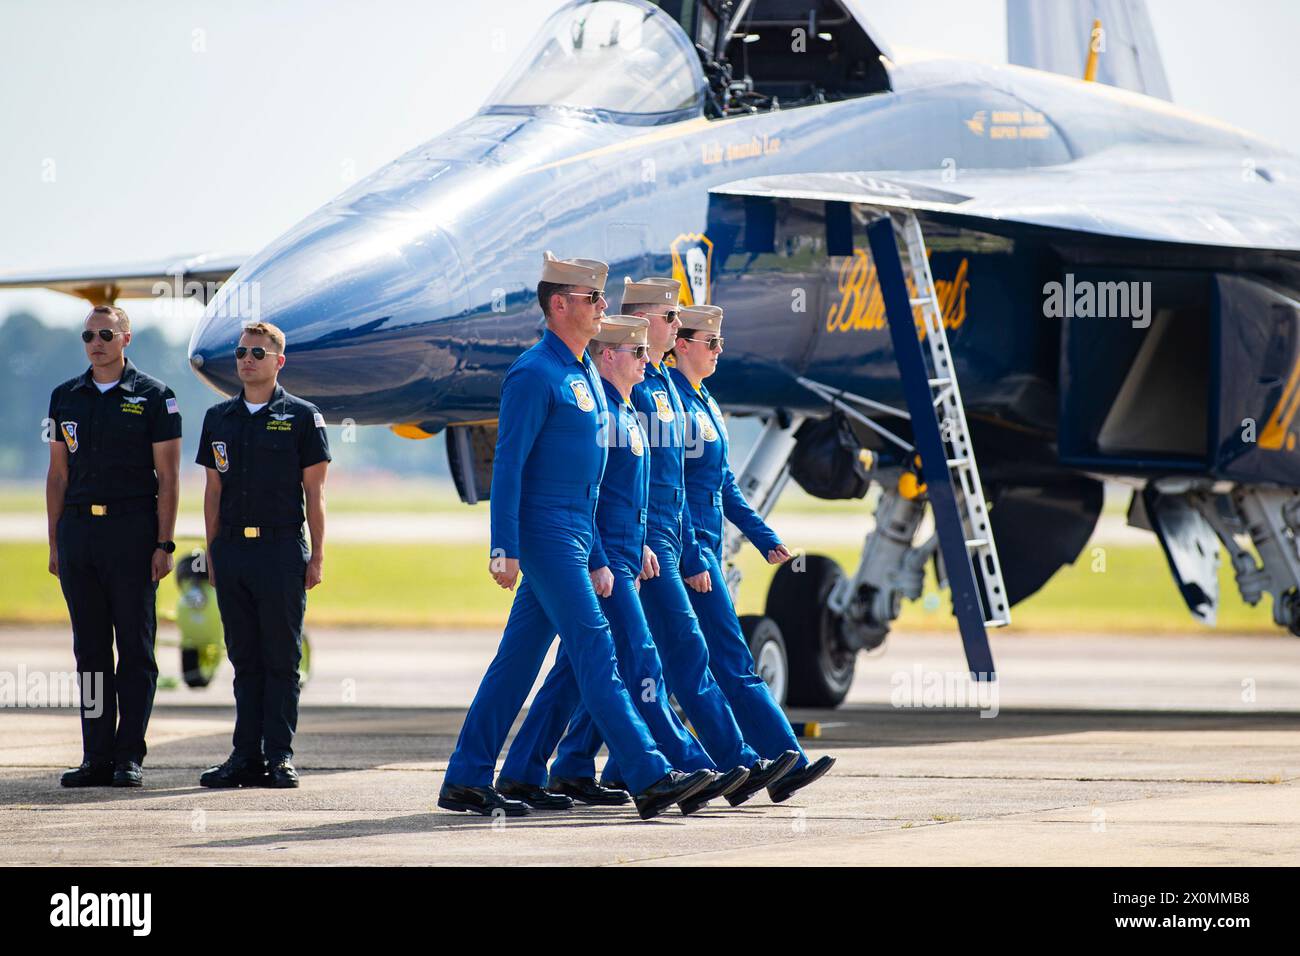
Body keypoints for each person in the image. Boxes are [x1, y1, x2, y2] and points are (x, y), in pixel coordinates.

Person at [438, 253, 713, 821]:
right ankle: (651, 774)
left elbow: (591, 483)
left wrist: (593, 553)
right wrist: (503, 545)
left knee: (517, 661)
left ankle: (469, 776)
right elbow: (509, 465)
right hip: (542, 532)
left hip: (573, 532)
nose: (604, 308)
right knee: (595, 646)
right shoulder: (533, 373)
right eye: (594, 300)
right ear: (559, 304)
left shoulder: (583, 371)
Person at [504, 278, 798, 809]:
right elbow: (595, 484)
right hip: (620, 546)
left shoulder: (661, 388)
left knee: (597, 663)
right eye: (669, 319)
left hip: (641, 543)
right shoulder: (617, 389)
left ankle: (563, 766)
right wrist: (647, 549)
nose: (675, 327)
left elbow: (681, 483)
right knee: (653, 657)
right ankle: (703, 763)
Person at [671, 304, 836, 803]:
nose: (720, 351)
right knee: (712, 660)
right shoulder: (667, 406)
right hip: (681, 552)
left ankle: (768, 765)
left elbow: (724, 486)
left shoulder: (704, 403)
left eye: (721, 342)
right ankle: (770, 763)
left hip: (703, 547)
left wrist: (764, 537)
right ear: (681, 344)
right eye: (711, 343)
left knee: (687, 664)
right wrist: (693, 557)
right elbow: (664, 489)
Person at [47, 305, 181, 788]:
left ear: (126, 338)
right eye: (88, 335)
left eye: (105, 334)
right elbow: (58, 474)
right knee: (90, 652)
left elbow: (167, 477)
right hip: (80, 533)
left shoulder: (155, 397)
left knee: (136, 649)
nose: (96, 342)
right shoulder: (65, 397)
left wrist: (164, 543)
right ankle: (95, 756)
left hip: (132, 533)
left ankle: (129, 755)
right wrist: (55, 539)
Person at [196, 321, 330, 789]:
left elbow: (315, 495)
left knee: (281, 659)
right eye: (241, 352)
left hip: (280, 550)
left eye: (257, 352)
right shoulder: (218, 418)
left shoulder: (302, 417)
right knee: (244, 659)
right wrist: (212, 551)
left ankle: (279, 756)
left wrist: (316, 556)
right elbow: (212, 491)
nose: (246, 359)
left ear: (279, 361)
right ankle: (244, 756)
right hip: (232, 549)